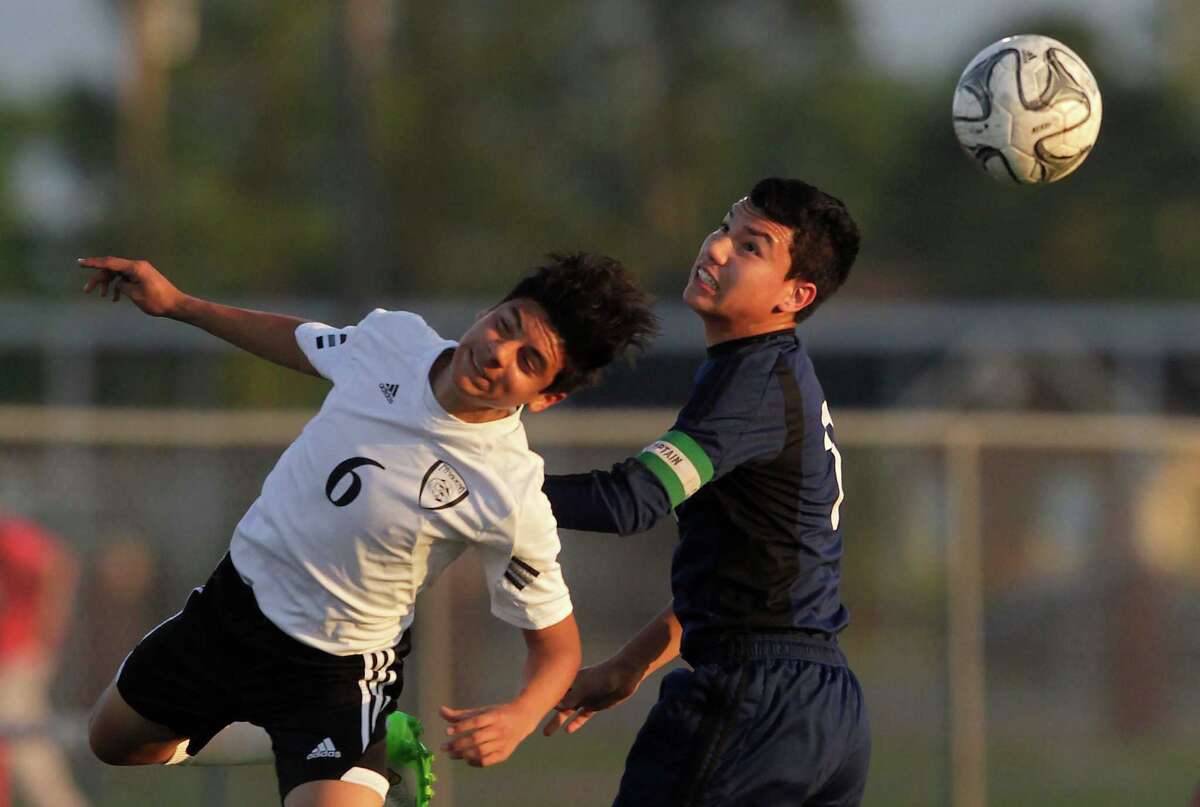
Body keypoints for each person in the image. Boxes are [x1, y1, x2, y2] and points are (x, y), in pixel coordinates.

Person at [78, 252, 658, 807]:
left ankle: (376, 752)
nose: (499, 353)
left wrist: (521, 715)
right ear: (490, 310)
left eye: (529, 361)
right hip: (230, 609)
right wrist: (180, 303)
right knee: (113, 743)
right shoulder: (394, 341)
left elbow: (558, 648)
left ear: (547, 397)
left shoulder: (509, 489)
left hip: (334, 674)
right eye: (505, 325)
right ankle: (303, 751)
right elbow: (303, 343)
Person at [540, 178, 871, 806]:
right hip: (826, 710)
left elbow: (628, 501)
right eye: (724, 227)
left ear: (795, 295)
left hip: (755, 707)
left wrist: (483, 483)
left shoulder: (749, 385)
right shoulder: (772, 372)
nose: (716, 249)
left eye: (751, 247)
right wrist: (630, 663)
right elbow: (757, 586)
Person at [0, 512, 88, 807]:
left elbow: (57, 565)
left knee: (27, 747)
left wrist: (48, 635)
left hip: (20, 656)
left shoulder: (11, 537)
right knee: (27, 745)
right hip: (15, 656)